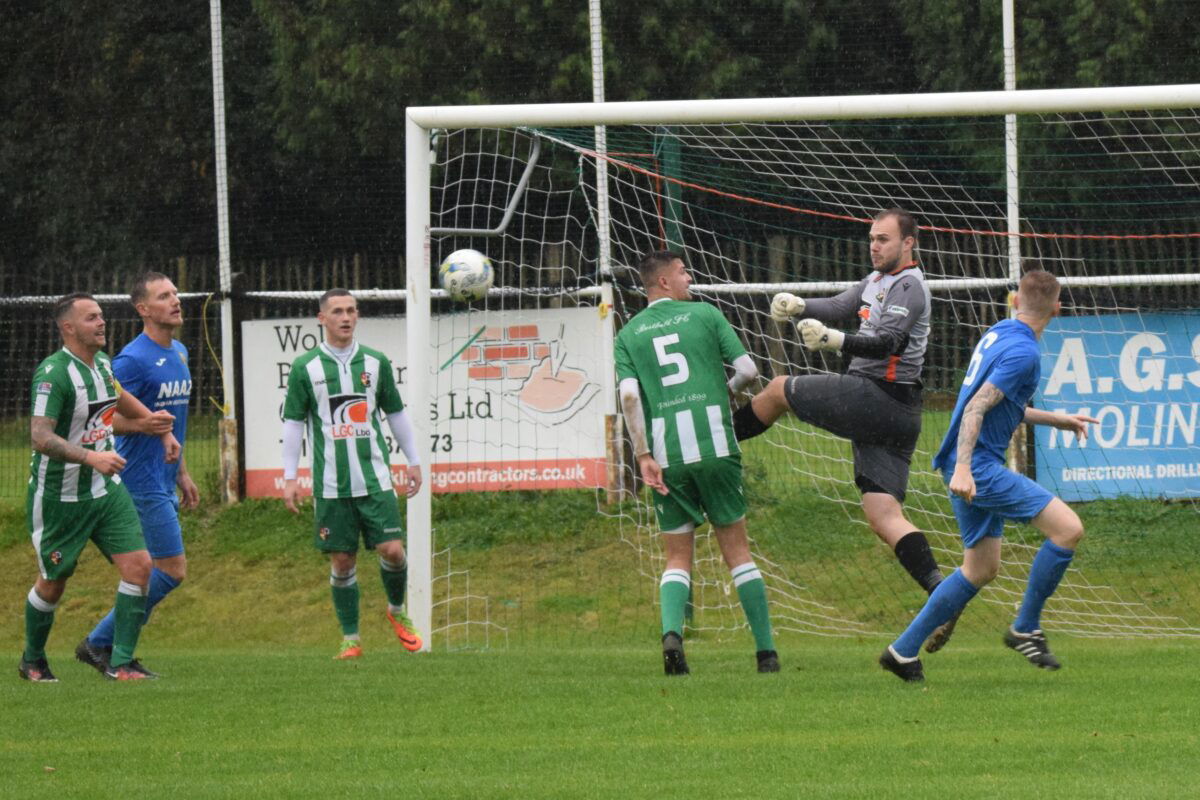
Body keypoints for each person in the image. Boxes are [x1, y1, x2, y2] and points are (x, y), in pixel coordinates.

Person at [732, 208, 958, 651]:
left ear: (908, 243)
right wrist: (799, 304)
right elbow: (839, 305)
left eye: (884, 239)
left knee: (778, 388)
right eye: (872, 238)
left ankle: (714, 440)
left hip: (877, 397)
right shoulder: (875, 281)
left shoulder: (910, 286)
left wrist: (835, 340)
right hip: (897, 414)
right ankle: (941, 592)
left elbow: (888, 341)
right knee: (883, 515)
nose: (875, 246)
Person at [879, 269, 1097, 682]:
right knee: (1068, 530)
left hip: (966, 465)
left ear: (1016, 302)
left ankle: (902, 652)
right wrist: (965, 467)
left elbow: (1000, 405)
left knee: (980, 569)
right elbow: (977, 406)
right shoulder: (1025, 354)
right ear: (1057, 309)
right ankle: (1025, 627)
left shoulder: (999, 332)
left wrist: (1057, 419)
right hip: (976, 468)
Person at [615, 250, 778, 676]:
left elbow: (629, 396)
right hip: (715, 446)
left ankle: (672, 635)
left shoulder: (628, 334)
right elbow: (748, 369)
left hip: (668, 456)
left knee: (676, 557)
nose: (690, 277)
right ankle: (766, 654)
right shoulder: (705, 315)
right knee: (738, 552)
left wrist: (644, 455)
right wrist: (721, 391)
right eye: (683, 271)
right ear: (664, 282)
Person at [19, 293, 179, 682]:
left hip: (106, 491)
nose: (102, 323)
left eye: (102, 316)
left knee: (140, 567)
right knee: (53, 584)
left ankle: (120, 662)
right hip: (60, 496)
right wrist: (92, 457)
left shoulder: (103, 364)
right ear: (68, 328)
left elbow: (118, 398)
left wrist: (157, 427)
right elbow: (40, 437)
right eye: (92, 318)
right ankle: (33, 659)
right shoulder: (53, 373)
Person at [281, 288, 424, 659]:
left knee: (393, 550)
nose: (346, 318)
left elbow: (395, 414)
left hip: (375, 479)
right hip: (330, 486)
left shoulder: (376, 362)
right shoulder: (304, 368)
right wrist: (290, 477)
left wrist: (414, 461)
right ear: (321, 318)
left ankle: (396, 612)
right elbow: (294, 424)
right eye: (338, 311)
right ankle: (351, 638)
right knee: (342, 560)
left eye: (352, 311)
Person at [76, 272, 200, 676]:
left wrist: (182, 472)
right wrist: (144, 427)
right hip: (138, 479)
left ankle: (110, 646)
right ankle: (101, 642)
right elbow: (102, 420)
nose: (175, 301)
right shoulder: (131, 360)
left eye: (176, 294)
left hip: (163, 477)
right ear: (143, 309)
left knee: (156, 569)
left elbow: (170, 423)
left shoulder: (179, 351)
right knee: (170, 569)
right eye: (164, 296)